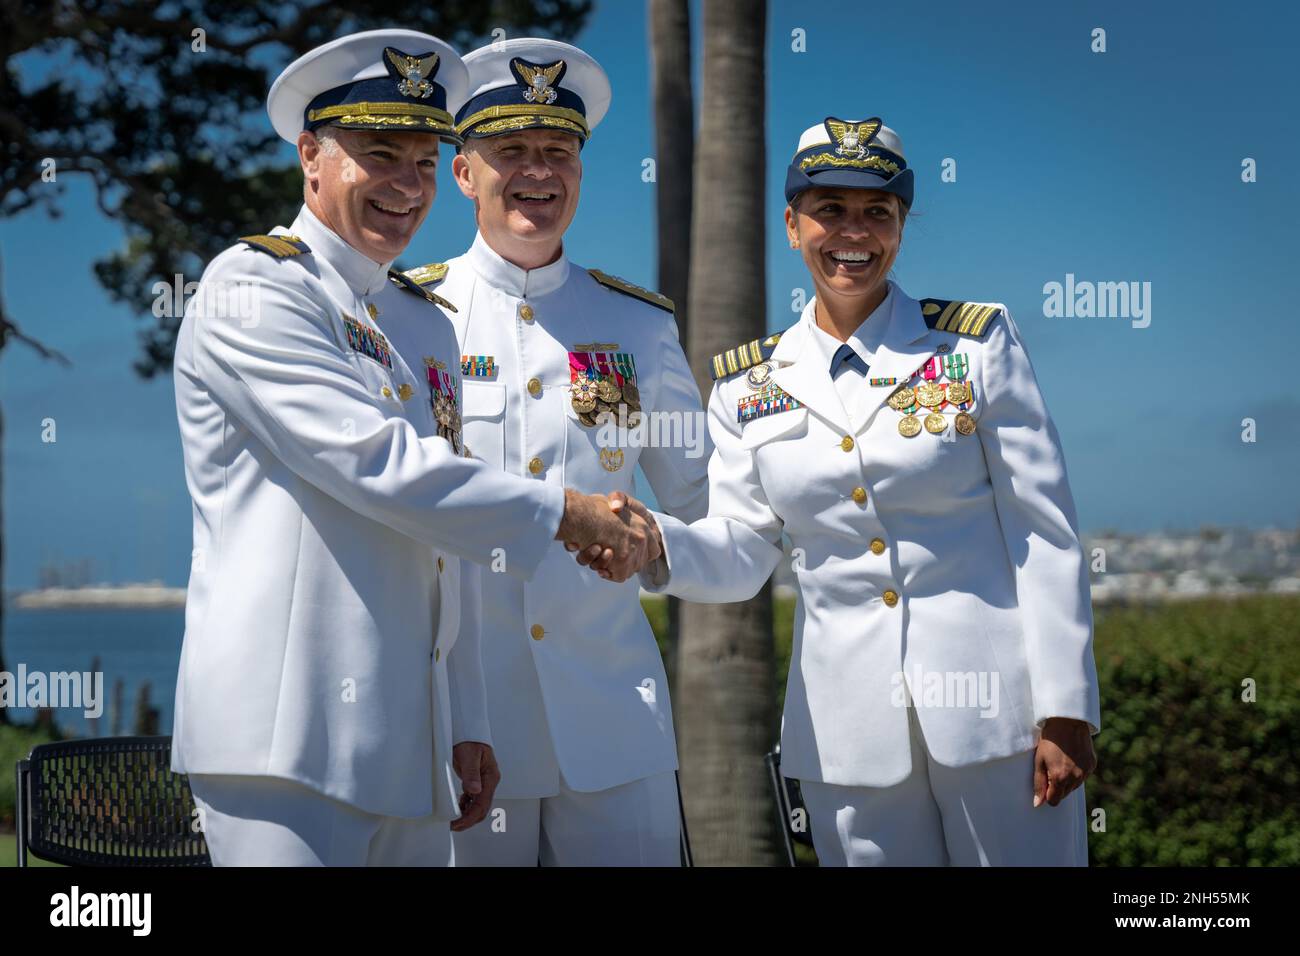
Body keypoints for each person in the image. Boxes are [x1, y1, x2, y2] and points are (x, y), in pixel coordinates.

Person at [171, 28, 655, 866]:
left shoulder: (420, 322)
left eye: (425, 162)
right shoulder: (254, 287)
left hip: (411, 746)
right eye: (380, 154)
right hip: (282, 742)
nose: (406, 184)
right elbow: (378, 467)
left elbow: (446, 541)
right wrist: (569, 513)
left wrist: (466, 721)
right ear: (311, 156)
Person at [589, 116, 1101, 866]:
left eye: (877, 212)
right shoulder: (745, 383)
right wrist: (658, 543)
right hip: (846, 733)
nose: (853, 232)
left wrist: (1065, 706)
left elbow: (1044, 532)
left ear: (900, 226)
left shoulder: (974, 346)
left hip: (1001, 721)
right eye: (830, 209)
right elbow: (743, 548)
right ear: (792, 225)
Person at [401, 38, 709, 866]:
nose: (537, 171)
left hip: (615, 727)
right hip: (463, 732)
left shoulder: (640, 326)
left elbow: (705, 502)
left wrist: (652, 544)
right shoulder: (410, 317)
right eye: (510, 151)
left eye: (557, 151)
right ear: (464, 173)